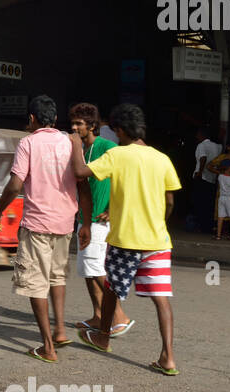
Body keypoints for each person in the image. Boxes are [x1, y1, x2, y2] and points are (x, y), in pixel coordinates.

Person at [68, 103, 183, 376]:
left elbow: (80, 173)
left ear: (119, 130)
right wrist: (159, 223)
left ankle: (103, 337)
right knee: (162, 299)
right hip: (157, 241)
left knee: (111, 289)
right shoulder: (162, 158)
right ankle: (168, 357)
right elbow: (169, 200)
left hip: (124, 240)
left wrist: (74, 144)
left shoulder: (118, 155)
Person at [0, 95, 85, 364]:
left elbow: (15, 184)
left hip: (38, 224)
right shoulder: (69, 141)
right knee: (57, 277)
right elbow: (81, 179)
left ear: (31, 119)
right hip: (65, 222)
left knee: (35, 283)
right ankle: (59, 331)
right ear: (55, 120)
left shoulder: (28, 143)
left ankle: (47, 347)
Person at [68, 102, 132, 336]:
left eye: (79, 124)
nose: (74, 128)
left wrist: (113, 209)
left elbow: (125, 179)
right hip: (84, 218)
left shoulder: (107, 146)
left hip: (99, 220)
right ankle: (98, 315)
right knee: (86, 271)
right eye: (73, 123)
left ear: (92, 126)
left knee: (96, 269)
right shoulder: (80, 150)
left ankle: (119, 316)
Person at [192, 125, 221, 234]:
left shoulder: (201, 145)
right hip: (212, 178)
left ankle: (201, 226)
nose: (196, 136)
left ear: (202, 135)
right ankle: (208, 226)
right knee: (209, 204)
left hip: (202, 178)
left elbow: (203, 158)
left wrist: (199, 172)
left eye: (198, 134)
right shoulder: (217, 147)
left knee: (200, 203)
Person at [214, 159, 230, 240]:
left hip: (221, 198)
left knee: (220, 217)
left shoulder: (220, 177)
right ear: (228, 168)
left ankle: (218, 235)